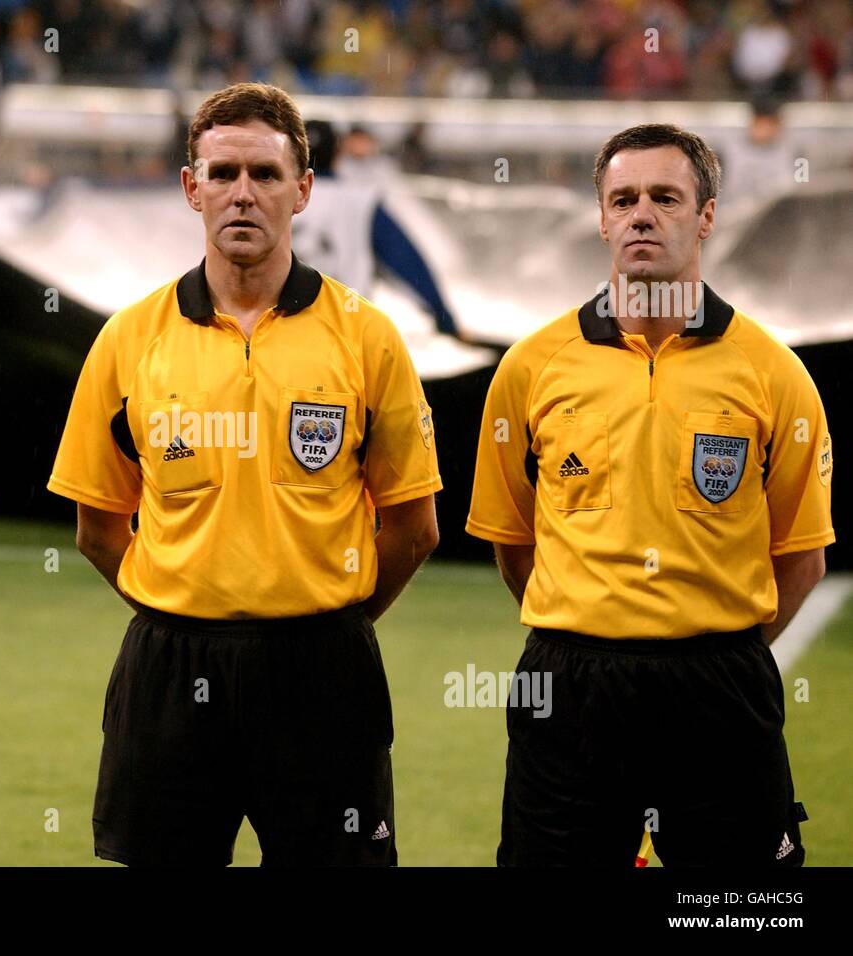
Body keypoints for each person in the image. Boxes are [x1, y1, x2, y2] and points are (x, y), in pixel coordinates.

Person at [48, 82, 442, 867]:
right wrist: (179, 605)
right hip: (169, 669)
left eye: (264, 174)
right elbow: (97, 528)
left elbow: (413, 526)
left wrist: (336, 622)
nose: (242, 193)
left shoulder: (369, 339)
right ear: (191, 187)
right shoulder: (130, 338)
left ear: (303, 190)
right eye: (222, 173)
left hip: (322, 670)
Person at [467, 123, 833, 866]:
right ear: (601, 217)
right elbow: (513, 543)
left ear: (706, 215)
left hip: (720, 691)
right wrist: (588, 628)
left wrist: (712, 651)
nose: (642, 214)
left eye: (666, 197)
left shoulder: (775, 372)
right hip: (568, 689)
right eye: (623, 198)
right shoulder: (530, 367)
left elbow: (801, 557)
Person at [293, 119, 459, 337]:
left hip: (279, 335)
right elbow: (405, 262)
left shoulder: (272, 197)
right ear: (338, 153)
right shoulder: (362, 202)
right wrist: (442, 316)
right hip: (346, 335)